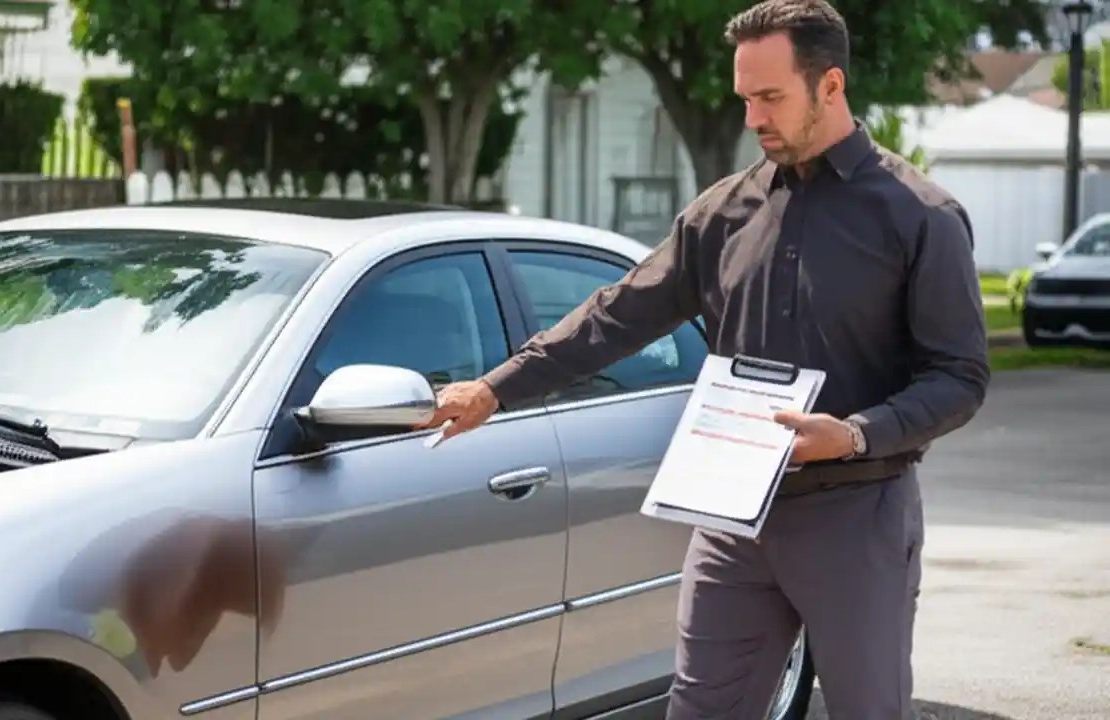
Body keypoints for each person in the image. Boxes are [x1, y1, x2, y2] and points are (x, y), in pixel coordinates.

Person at [418, 0, 990, 717]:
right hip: (732, 521)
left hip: (856, 513)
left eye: (771, 97)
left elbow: (960, 377)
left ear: (832, 86)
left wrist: (854, 434)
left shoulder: (920, 217)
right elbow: (616, 315)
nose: (754, 117)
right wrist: (496, 390)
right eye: (745, 98)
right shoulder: (721, 214)